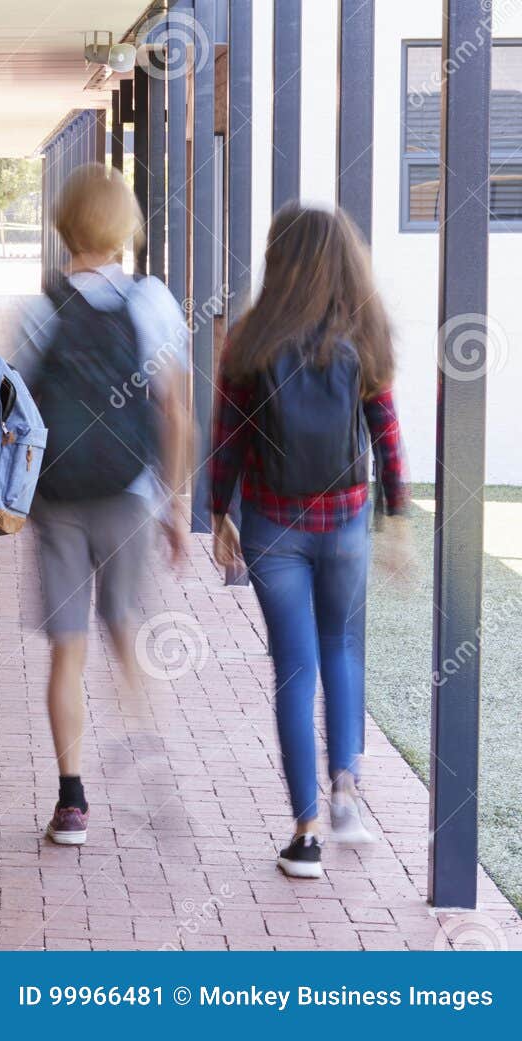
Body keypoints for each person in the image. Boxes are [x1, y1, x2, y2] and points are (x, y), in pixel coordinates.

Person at [209, 203, 409, 879]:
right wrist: (397, 516)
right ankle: (346, 786)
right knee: (342, 647)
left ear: (276, 262)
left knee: (294, 669)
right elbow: (387, 433)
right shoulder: (366, 336)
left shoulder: (247, 339)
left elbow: (229, 438)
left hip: (273, 523)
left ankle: (306, 834)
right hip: (347, 521)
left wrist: (218, 514)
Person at [12, 164, 190, 848]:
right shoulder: (152, 303)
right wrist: (174, 504)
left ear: (66, 224)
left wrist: (16, 495)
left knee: (67, 651)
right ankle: (149, 754)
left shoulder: (40, 309)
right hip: (127, 493)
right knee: (124, 629)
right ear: (124, 227)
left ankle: (72, 798)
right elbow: (175, 411)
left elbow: (17, 413)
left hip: (57, 496)